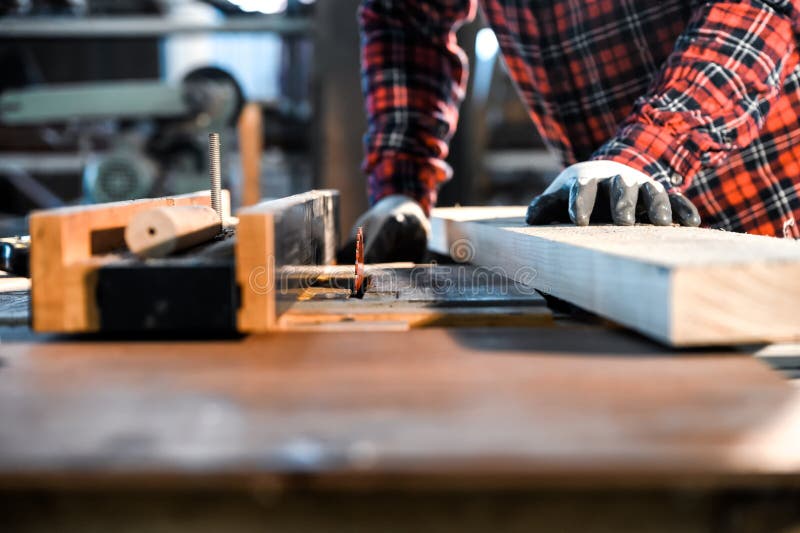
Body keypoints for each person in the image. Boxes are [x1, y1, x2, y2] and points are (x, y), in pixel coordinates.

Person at [349, 0, 800, 262]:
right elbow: (406, 18)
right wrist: (402, 188)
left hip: (772, 221)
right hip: (616, 249)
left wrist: (640, 155)